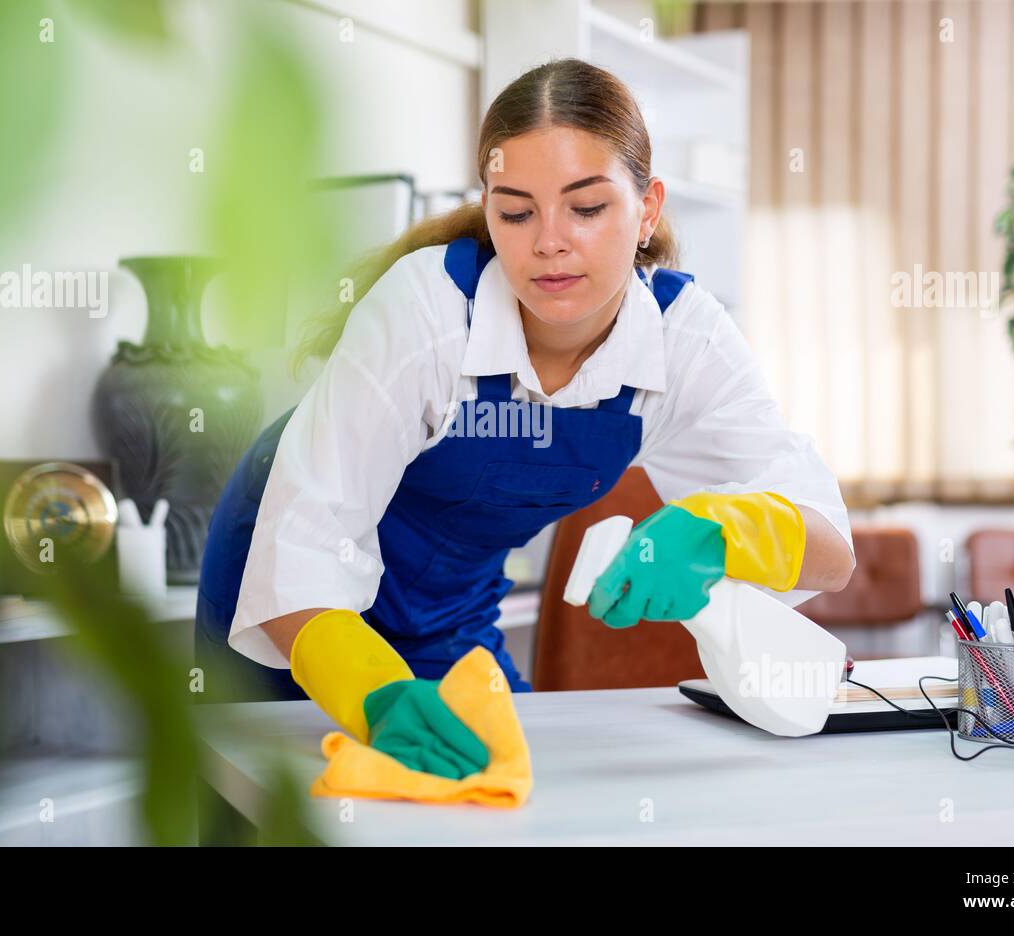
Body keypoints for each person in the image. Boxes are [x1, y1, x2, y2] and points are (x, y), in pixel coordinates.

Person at [195, 58, 855, 778]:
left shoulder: (686, 341)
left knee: (498, 786)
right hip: (296, 585)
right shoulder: (425, 312)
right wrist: (374, 696)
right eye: (515, 211)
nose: (548, 242)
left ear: (649, 210)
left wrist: (727, 531)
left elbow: (830, 549)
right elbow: (301, 560)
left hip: (450, 602)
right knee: (268, 795)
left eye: (588, 207)